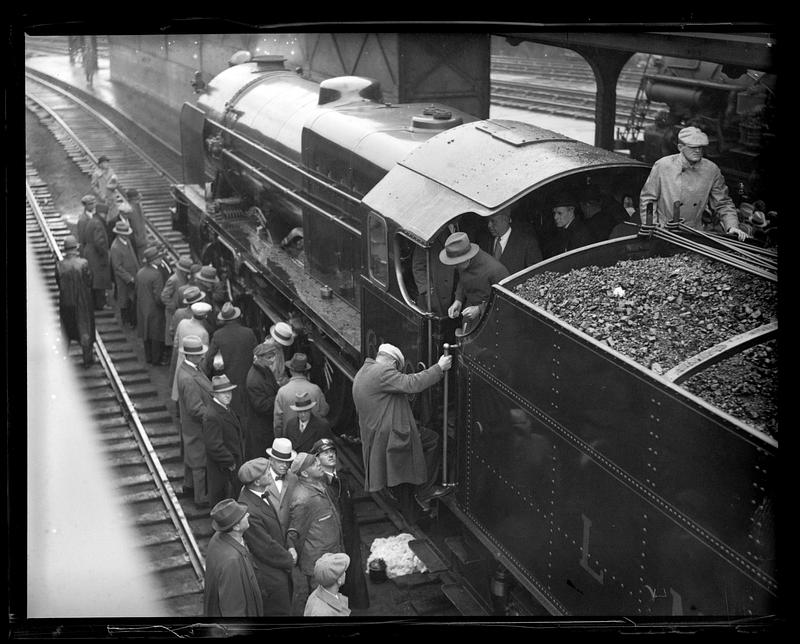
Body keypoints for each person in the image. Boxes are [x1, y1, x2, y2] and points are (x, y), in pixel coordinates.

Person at [352, 343, 453, 516]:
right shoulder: (383, 372)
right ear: (393, 363)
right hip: (390, 433)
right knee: (433, 440)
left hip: (375, 432)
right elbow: (411, 383)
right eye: (396, 370)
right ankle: (424, 490)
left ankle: (410, 493)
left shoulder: (364, 371)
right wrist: (439, 368)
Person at [638, 126, 748, 240]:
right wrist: (651, 226)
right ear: (680, 147)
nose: (698, 151)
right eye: (692, 147)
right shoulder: (663, 166)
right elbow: (648, 199)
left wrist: (732, 226)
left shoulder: (711, 170)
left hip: (694, 234)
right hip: (664, 232)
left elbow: (723, 203)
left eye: (700, 147)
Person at [312, 438, 369, 609]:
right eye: (325, 453)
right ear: (317, 459)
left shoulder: (344, 478)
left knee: (354, 569)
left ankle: (356, 605)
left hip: (350, 532)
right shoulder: (319, 484)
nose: (330, 455)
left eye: (332, 451)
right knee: (335, 573)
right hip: (333, 536)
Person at [236, 458, 297, 616]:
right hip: (270, 577)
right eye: (266, 473)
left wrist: (289, 546)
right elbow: (264, 546)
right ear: (257, 482)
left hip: (277, 568)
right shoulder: (249, 509)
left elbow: (276, 529)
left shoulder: (259, 495)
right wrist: (289, 558)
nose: (270, 474)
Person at [287, 452, 344, 593]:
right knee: (323, 598)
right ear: (305, 473)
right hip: (318, 564)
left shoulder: (319, 484)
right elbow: (293, 532)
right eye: (313, 463)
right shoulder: (302, 498)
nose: (318, 463)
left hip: (331, 555)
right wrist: (292, 549)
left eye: (317, 460)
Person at [203, 499, 263, 617]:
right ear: (236, 526)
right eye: (243, 516)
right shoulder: (231, 561)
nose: (248, 515)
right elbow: (233, 609)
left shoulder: (218, 537)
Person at [441, 232, 509, 334]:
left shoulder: (496, 270)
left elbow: (505, 302)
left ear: (467, 258)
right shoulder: (463, 264)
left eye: (456, 263)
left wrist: (479, 309)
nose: (454, 267)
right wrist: (458, 300)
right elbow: (463, 280)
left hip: (492, 324)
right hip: (470, 316)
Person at [175, 334, 213, 507]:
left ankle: (188, 486)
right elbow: (195, 408)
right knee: (199, 462)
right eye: (198, 354)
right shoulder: (189, 378)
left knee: (191, 457)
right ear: (189, 355)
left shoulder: (188, 369)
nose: (202, 356)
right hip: (197, 426)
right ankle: (200, 497)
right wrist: (214, 414)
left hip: (191, 426)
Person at [204, 302, 258, 423]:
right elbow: (257, 355)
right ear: (237, 317)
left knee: (231, 416)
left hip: (227, 383)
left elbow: (209, 359)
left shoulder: (218, 335)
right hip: (247, 380)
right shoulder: (249, 333)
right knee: (247, 416)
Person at [203, 374, 246, 509]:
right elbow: (213, 445)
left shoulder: (224, 408)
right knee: (223, 505)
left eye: (229, 391)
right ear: (215, 394)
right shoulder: (212, 415)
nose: (228, 395)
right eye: (223, 392)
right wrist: (230, 461)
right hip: (223, 470)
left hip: (230, 467)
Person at [55, 235, 95, 367]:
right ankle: (87, 360)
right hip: (82, 302)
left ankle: (62, 358)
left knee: (66, 330)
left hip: (66, 303)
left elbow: (59, 283)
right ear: (75, 248)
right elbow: (89, 281)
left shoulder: (59, 265)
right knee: (85, 330)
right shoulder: (83, 263)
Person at [273, 353, 330, 436]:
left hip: (289, 438)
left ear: (290, 370)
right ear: (306, 371)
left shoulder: (282, 392)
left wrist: (278, 438)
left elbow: (278, 421)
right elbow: (324, 411)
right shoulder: (315, 389)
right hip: (313, 436)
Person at [244, 341, 281, 461]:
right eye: (269, 357)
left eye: (273, 356)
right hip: (260, 430)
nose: (273, 360)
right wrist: (280, 397)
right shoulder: (254, 379)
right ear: (260, 358)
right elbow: (261, 406)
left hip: (266, 427)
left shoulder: (264, 369)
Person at [412, 227, 457, 317]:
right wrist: (428, 291)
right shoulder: (430, 231)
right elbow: (418, 266)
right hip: (434, 297)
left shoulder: (465, 226)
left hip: (456, 296)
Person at [135, 246, 168, 365]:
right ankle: (156, 360)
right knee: (156, 335)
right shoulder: (156, 274)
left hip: (142, 308)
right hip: (155, 309)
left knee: (146, 334)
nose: (161, 259)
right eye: (158, 257)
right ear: (153, 260)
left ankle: (148, 358)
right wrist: (165, 305)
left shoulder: (140, 272)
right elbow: (158, 297)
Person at [483, 209, 542, 275]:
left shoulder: (527, 243)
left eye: (493, 221)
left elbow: (536, 274)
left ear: (505, 220)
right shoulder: (484, 241)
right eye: (488, 221)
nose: (489, 225)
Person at [263, 437, 299, 539]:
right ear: (271, 460)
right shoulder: (260, 478)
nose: (285, 465)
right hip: (267, 535)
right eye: (280, 461)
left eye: (287, 462)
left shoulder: (293, 478)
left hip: (288, 535)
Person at [82, 197, 113, 310]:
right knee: (100, 280)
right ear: (103, 213)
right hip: (97, 256)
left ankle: (95, 304)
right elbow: (99, 242)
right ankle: (101, 304)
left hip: (90, 254)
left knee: (94, 280)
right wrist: (104, 253)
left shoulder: (92, 221)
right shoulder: (98, 224)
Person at [109, 219, 140, 327]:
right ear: (119, 234)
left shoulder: (128, 242)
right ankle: (125, 321)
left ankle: (132, 320)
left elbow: (133, 257)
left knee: (132, 299)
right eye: (124, 234)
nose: (127, 235)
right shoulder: (115, 247)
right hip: (124, 279)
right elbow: (117, 268)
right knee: (124, 300)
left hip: (133, 275)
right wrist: (129, 278)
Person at [160, 255, 193, 351]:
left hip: (180, 311)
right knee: (173, 335)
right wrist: (173, 307)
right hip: (173, 313)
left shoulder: (184, 278)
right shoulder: (173, 280)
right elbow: (164, 296)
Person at [303, 553, 352, 617]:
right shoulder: (321, 613)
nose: (345, 573)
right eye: (343, 571)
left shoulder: (318, 593)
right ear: (339, 580)